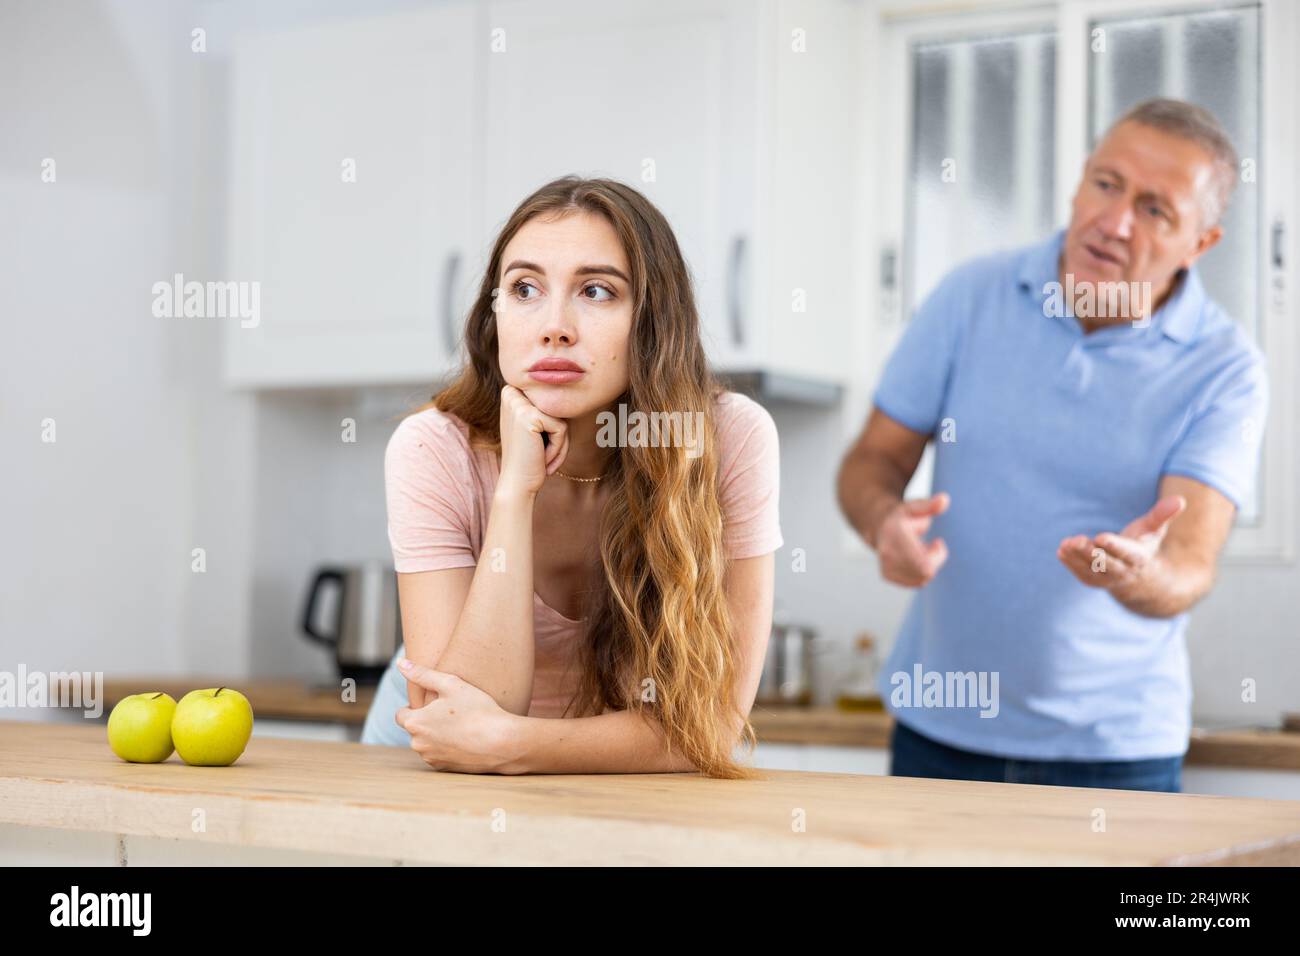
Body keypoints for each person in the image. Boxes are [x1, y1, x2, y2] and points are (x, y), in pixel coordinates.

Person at [837, 99, 1268, 792]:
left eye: (1156, 209)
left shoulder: (1225, 366)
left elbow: (1189, 566)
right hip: (938, 735)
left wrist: (1134, 573)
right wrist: (883, 521)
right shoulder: (970, 297)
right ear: (1079, 182)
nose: (1115, 221)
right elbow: (873, 461)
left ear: (1201, 243)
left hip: (1117, 754)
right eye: (1107, 183)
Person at [360, 176, 782, 778]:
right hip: (437, 765)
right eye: (525, 288)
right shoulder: (435, 447)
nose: (554, 325)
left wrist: (511, 743)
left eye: (596, 291)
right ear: (495, 315)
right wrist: (513, 496)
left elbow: (711, 726)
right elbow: (460, 724)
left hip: (603, 772)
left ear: (653, 321)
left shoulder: (729, 439)